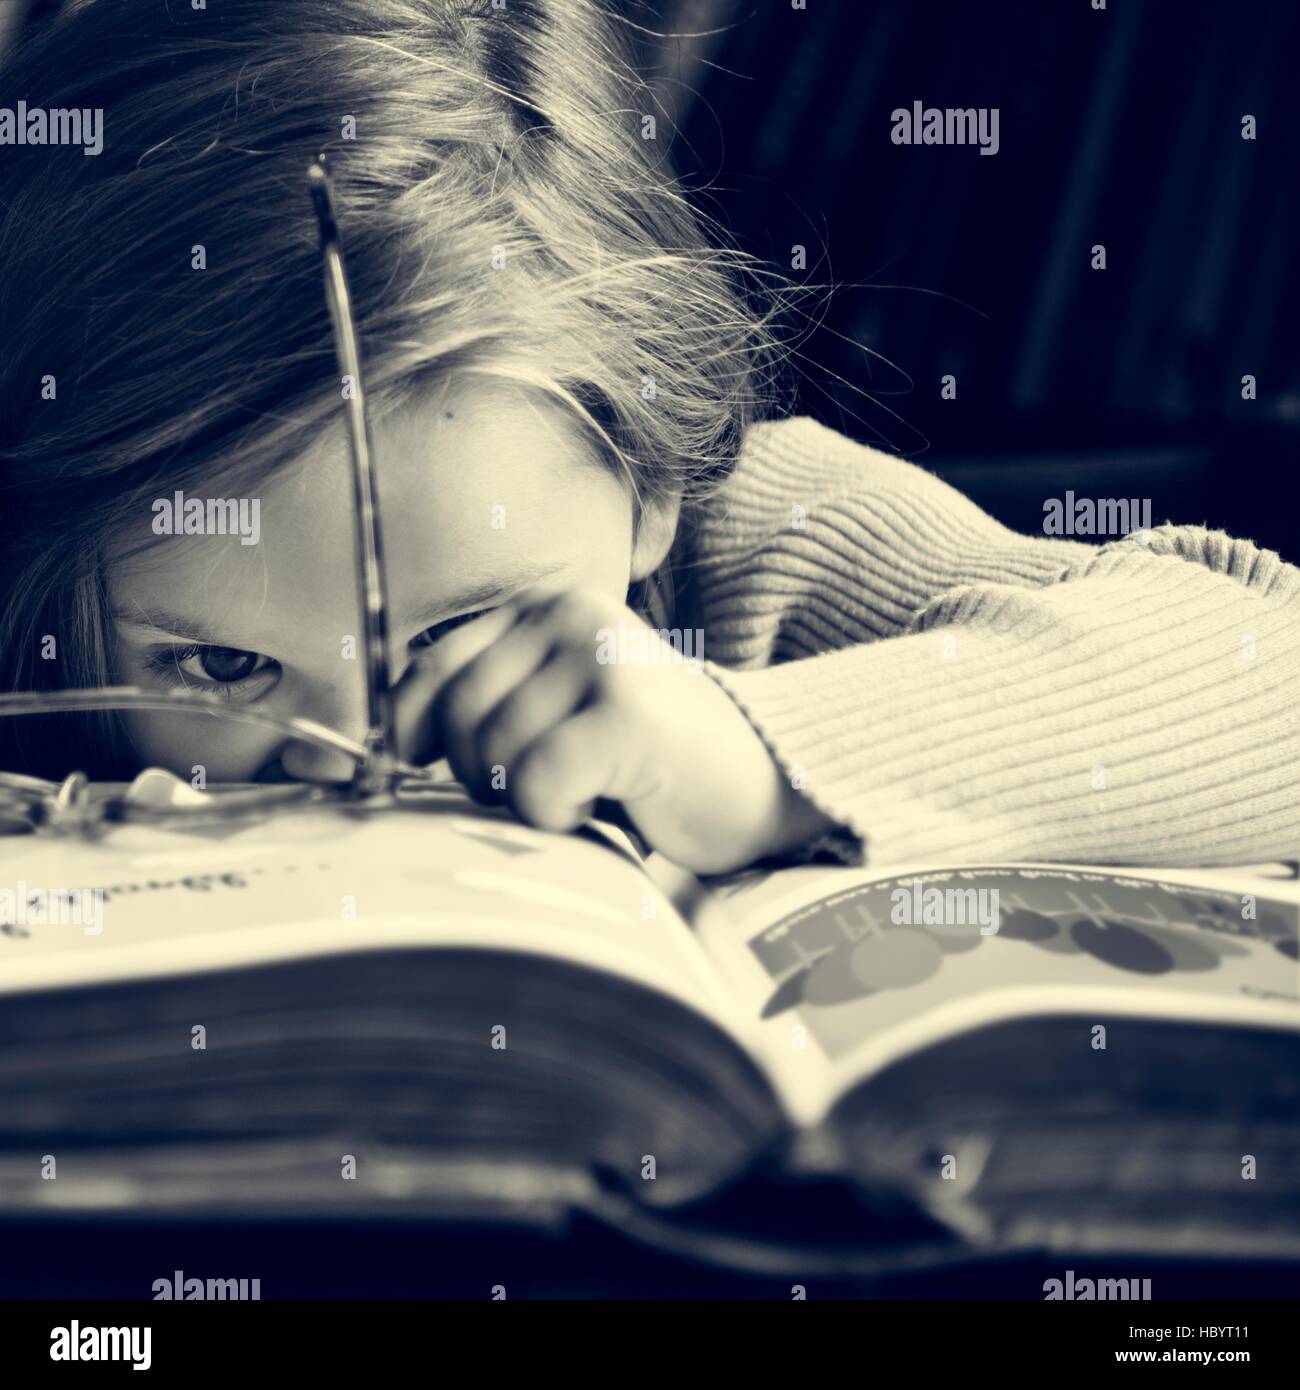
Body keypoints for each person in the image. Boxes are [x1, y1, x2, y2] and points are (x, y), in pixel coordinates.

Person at [1, 0, 1295, 873]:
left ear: (653, 480)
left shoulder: (761, 538)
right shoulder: (42, 598)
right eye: (226, 666)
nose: (366, 772)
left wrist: (764, 763)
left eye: (462, 637)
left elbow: (1267, 678)